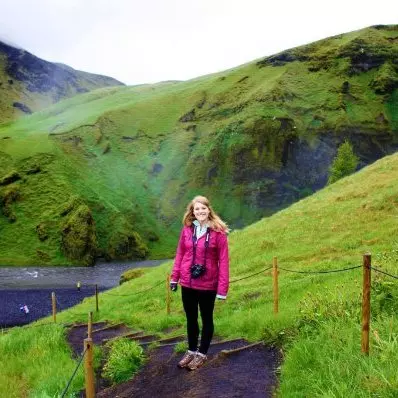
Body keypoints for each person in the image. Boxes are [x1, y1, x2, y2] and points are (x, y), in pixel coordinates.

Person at [170, 195, 229, 371]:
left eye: (203, 208)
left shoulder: (219, 233)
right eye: (197, 209)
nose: (200, 211)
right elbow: (180, 254)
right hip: (187, 282)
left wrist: (222, 289)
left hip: (208, 284)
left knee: (206, 318)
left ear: (208, 210)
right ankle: (191, 350)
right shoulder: (187, 230)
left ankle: (201, 354)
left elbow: (224, 261)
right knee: (191, 319)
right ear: (192, 212)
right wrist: (174, 277)